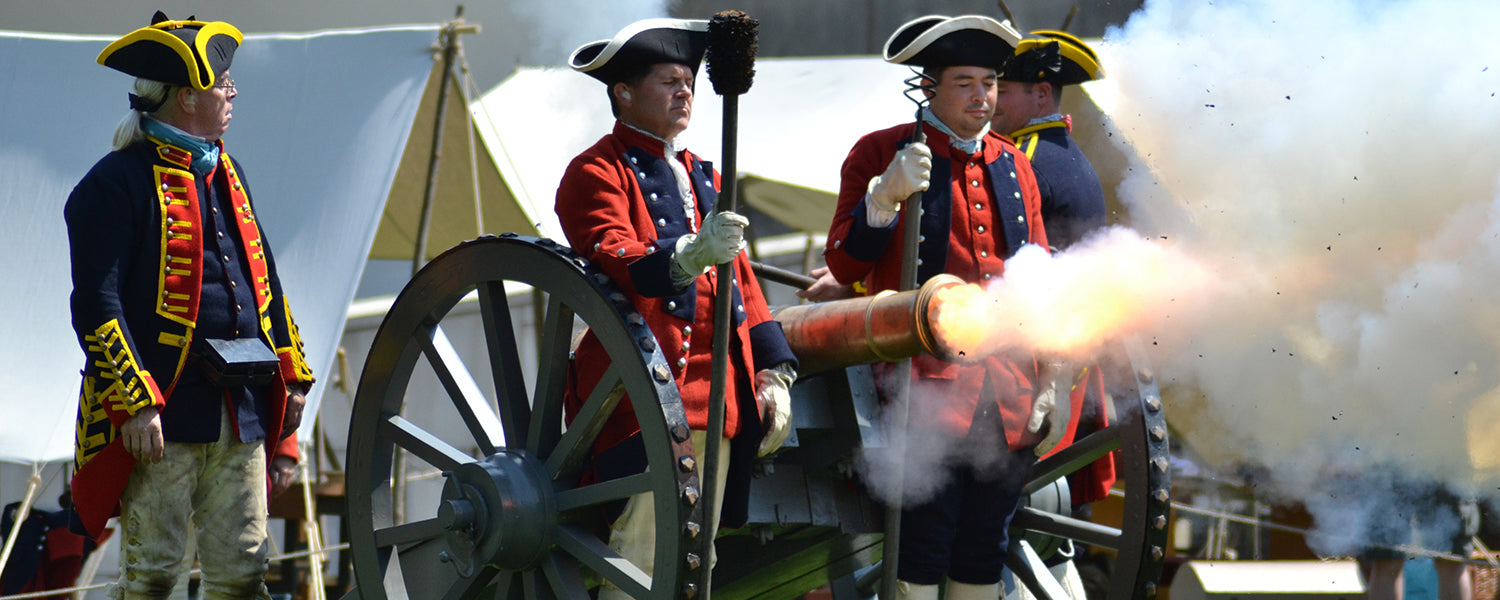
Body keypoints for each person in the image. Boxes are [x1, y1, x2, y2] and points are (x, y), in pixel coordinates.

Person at [65, 12, 314, 600]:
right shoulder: (111, 184)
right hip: (162, 418)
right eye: (221, 84)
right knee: (152, 575)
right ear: (185, 98)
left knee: (244, 575)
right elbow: (97, 306)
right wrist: (135, 406)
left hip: (240, 409)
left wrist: (291, 380)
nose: (232, 92)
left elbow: (266, 288)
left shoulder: (227, 168)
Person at [556, 18, 798, 598]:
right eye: (670, 80)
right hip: (640, 399)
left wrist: (774, 370)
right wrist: (690, 253)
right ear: (624, 93)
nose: (685, 91)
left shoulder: (702, 175)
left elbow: (742, 286)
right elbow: (620, 255)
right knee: (644, 558)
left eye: (689, 80)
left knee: (696, 564)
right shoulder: (595, 171)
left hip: (719, 402)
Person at [822, 14, 1054, 600]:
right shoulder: (878, 152)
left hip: (1006, 391)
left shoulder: (1014, 163)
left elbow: (1040, 278)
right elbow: (846, 267)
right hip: (920, 387)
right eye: (965, 83)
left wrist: (1049, 376)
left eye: (990, 83)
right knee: (923, 545)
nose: (983, 97)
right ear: (928, 88)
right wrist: (883, 198)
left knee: (984, 548)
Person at [991, 30, 1116, 600]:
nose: (992, 102)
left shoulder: (1026, 164)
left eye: (1005, 90)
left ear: (1042, 95)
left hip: (1030, 370)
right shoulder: (1071, 158)